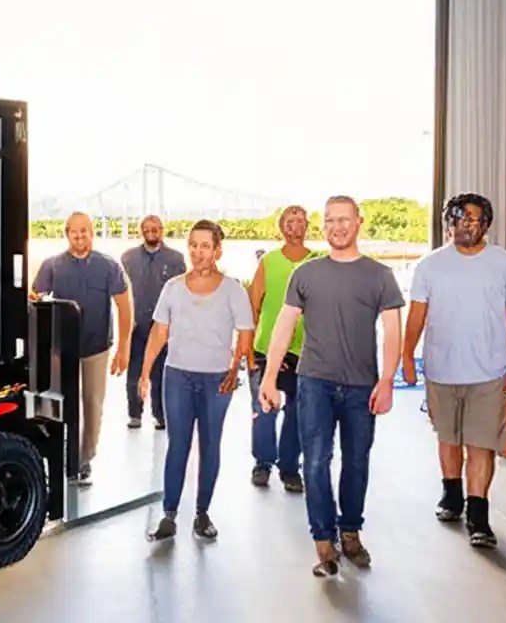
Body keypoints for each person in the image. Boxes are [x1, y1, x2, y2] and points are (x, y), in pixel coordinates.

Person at [259, 195, 404, 576]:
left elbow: (393, 331)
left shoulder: (379, 276)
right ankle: (323, 542)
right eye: (330, 220)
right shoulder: (306, 273)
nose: (337, 227)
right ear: (323, 226)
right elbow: (284, 326)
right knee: (316, 462)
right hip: (314, 383)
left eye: (344, 219)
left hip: (361, 387)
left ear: (359, 222)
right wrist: (270, 377)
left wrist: (387, 380)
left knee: (356, 462)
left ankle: (350, 531)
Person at [402, 193, 506, 549]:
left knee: (481, 444)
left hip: (490, 372)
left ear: (486, 224)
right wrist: (407, 357)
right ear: (449, 223)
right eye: (459, 217)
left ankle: (479, 516)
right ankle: (451, 495)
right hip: (441, 370)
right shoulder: (430, 265)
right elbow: (417, 314)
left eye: (473, 218)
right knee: (448, 437)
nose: (465, 223)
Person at [140, 220, 253, 540]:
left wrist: (234, 369)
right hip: (178, 376)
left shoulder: (232, 290)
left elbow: (245, 333)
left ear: (217, 250)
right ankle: (169, 515)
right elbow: (159, 332)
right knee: (177, 444)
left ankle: (202, 514)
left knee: (210, 444)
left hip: (217, 380)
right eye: (193, 245)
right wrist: (145, 372)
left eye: (205, 246)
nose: (198, 252)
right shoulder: (173, 287)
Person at [32, 211, 132, 485]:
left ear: (92, 232)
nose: (79, 236)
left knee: (92, 404)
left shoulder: (109, 266)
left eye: (84, 231)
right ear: (67, 234)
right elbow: (36, 298)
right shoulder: (52, 265)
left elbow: (124, 306)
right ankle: (59, 455)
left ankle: (83, 459)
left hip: (96, 346)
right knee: (59, 402)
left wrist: (124, 347)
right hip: (61, 348)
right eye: (74, 231)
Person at [247, 205, 319, 492]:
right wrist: (246, 348)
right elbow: (253, 304)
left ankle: (290, 468)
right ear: (281, 227)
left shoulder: (318, 261)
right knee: (264, 408)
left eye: (301, 220)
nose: (295, 225)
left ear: (307, 226)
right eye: (290, 220)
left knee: (298, 411)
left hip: (305, 350)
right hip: (266, 347)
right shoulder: (268, 261)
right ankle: (262, 463)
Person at [121, 214, 186, 430]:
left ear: (162, 230)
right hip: (137, 323)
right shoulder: (128, 258)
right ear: (141, 231)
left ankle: (161, 415)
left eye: (155, 229)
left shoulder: (176, 259)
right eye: (146, 229)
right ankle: (135, 414)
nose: (151, 232)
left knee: (161, 372)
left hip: (164, 325)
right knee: (135, 370)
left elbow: (182, 292)